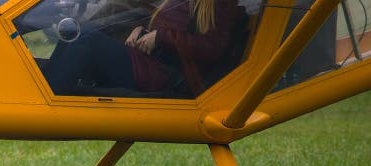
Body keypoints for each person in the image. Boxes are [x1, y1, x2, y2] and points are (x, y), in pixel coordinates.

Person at [43, 0, 241, 95]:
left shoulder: (219, 3)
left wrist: (160, 37)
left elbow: (212, 49)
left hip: (166, 76)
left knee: (86, 39)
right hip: (150, 63)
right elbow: (172, 28)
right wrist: (142, 31)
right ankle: (43, 86)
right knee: (76, 33)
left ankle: (47, 93)